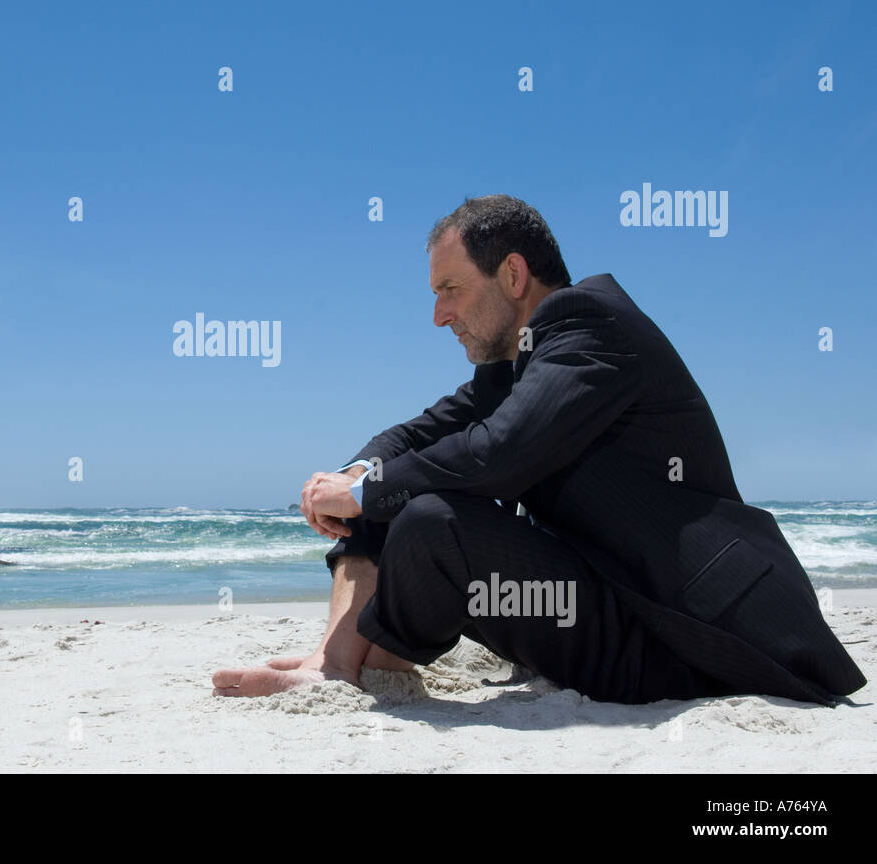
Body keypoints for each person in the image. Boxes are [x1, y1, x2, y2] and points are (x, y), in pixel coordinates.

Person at [211, 194, 866, 705]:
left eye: (450, 288)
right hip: (611, 605)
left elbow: (498, 452)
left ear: (514, 274)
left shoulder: (590, 325)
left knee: (425, 513)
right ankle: (339, 659)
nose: (439, 315)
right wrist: (354, 475)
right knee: (391, 482)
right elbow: (422, 433)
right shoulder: (515, 365)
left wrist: (360, 490)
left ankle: (361, 661)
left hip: (693, 633)